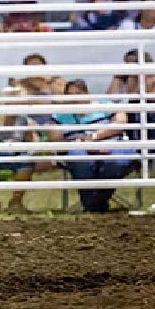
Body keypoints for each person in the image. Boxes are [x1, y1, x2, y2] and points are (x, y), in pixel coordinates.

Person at [51, 79, 133, 213]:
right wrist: (70, 142)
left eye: (78, 93)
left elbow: (121, 121)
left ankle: (94, 205)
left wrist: (94, 137)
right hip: (78, 149)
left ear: (87, 93)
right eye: (70, 95)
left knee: (116, 161)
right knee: (79, 160)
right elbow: (55, 139)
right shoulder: (60, 114)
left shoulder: (103, 104)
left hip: (111, 144)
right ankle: (95, 206)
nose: (74, 98)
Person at [0, 85, 36, 214]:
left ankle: (16, 202)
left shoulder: (22, 120)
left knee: (27, 162)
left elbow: (29, 141)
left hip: (13, 154)